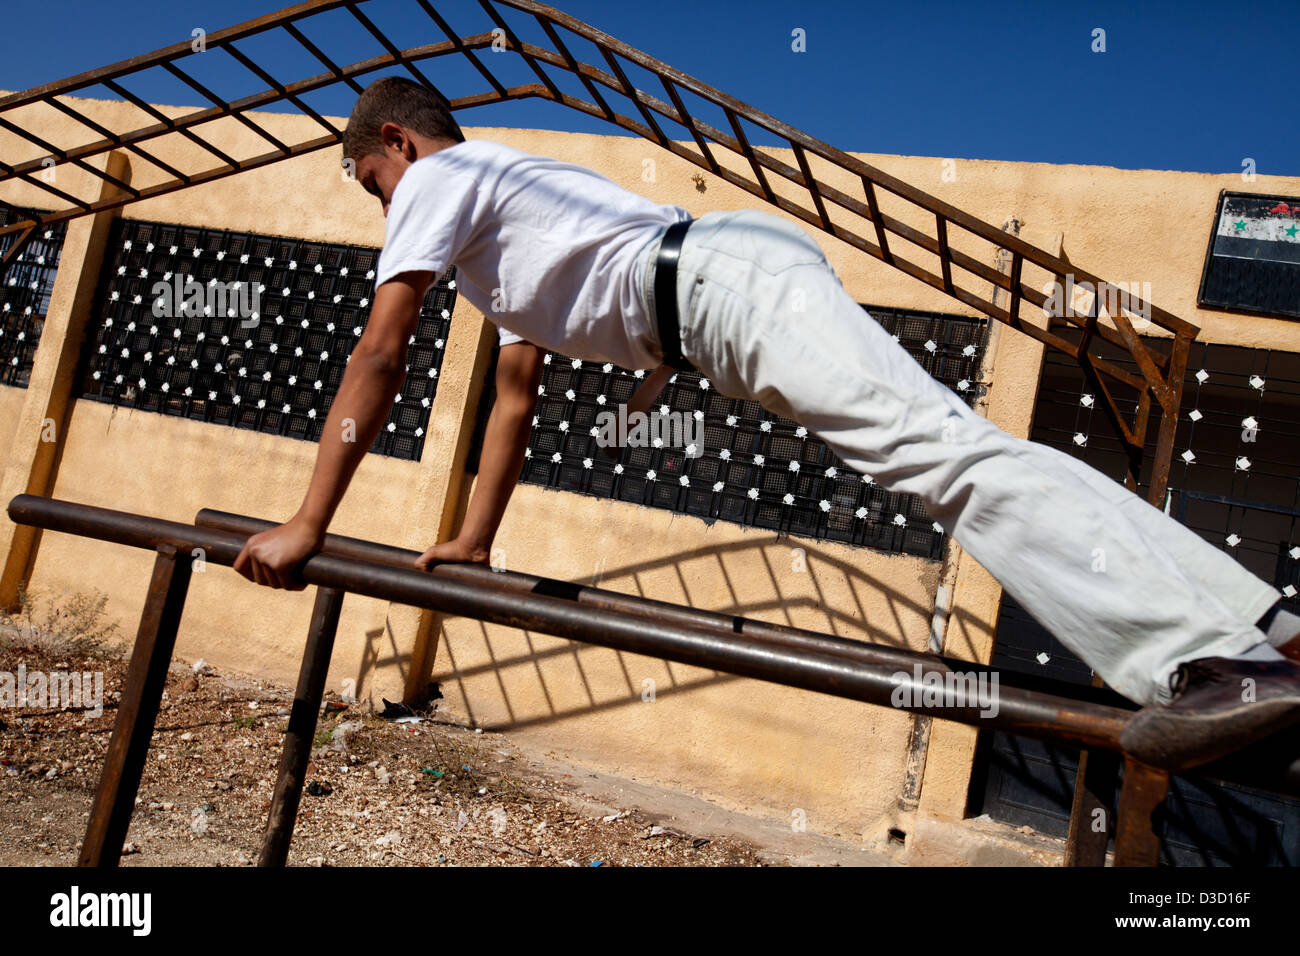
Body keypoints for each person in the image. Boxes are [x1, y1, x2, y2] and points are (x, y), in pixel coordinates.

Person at [233, 76, 1300, 771]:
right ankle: (1258, 629)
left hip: (722, 294)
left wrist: (305, 524)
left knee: (950, 463)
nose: (382, 210)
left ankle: (1215, 658)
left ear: (394, 143)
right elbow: (515, 393)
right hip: (718, 300)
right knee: (961, 455)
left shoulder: (442, 180)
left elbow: (379, 352)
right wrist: (471, 540)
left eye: (373, 187)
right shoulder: (502, 221)